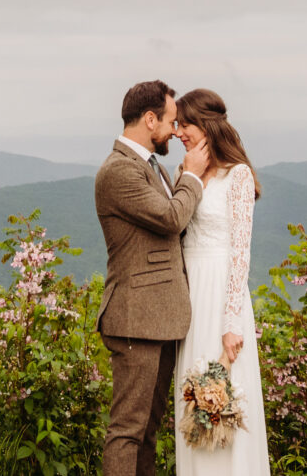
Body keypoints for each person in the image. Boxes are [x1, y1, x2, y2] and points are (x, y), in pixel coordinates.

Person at [96, 80, 211, 476]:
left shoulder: (153, 167)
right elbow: (171, 218)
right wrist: (193, 176)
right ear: (150, 119)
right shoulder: (117, 171)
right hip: (135, 320)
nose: (175, 132)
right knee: (128, 429)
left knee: (148, 430)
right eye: (171, 121)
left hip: (161, 319)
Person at [170, 88, 271, 475]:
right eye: (176, 125)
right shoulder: (185, 172)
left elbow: (240, 252)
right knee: (193, 400)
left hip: (222, 294)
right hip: (190, 297)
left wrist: (232, 322)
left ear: (206, 125)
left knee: (225, 396)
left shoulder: (238, 175)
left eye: (185, 125)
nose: (179, 132)